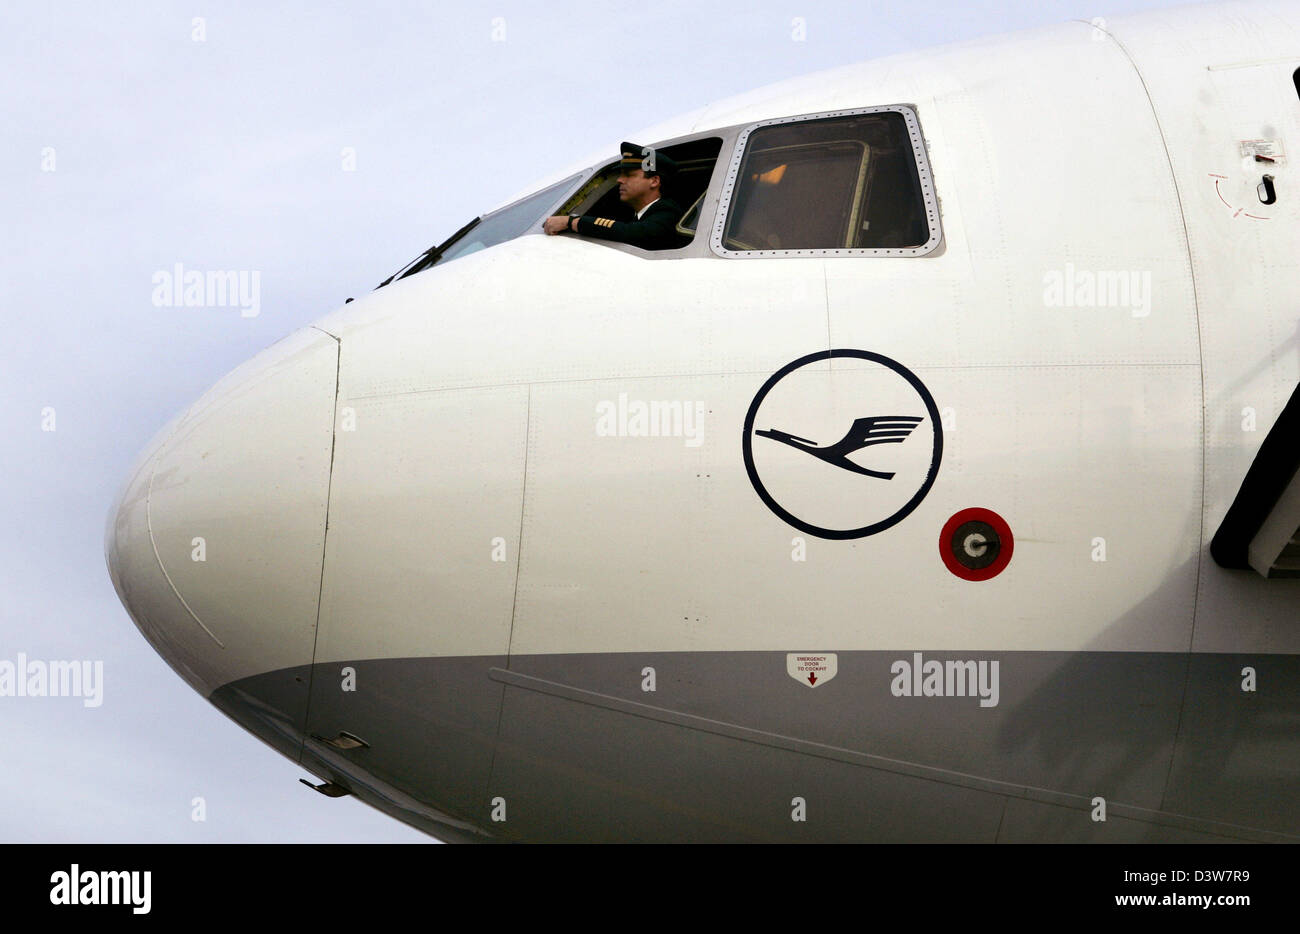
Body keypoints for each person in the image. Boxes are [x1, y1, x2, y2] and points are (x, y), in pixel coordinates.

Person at [543, 142, 684, 250]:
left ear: (654, 181)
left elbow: (632, 234)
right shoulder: (638, 217)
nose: (619, 180)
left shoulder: (668, 212)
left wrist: (571, 222)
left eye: (629, 175)